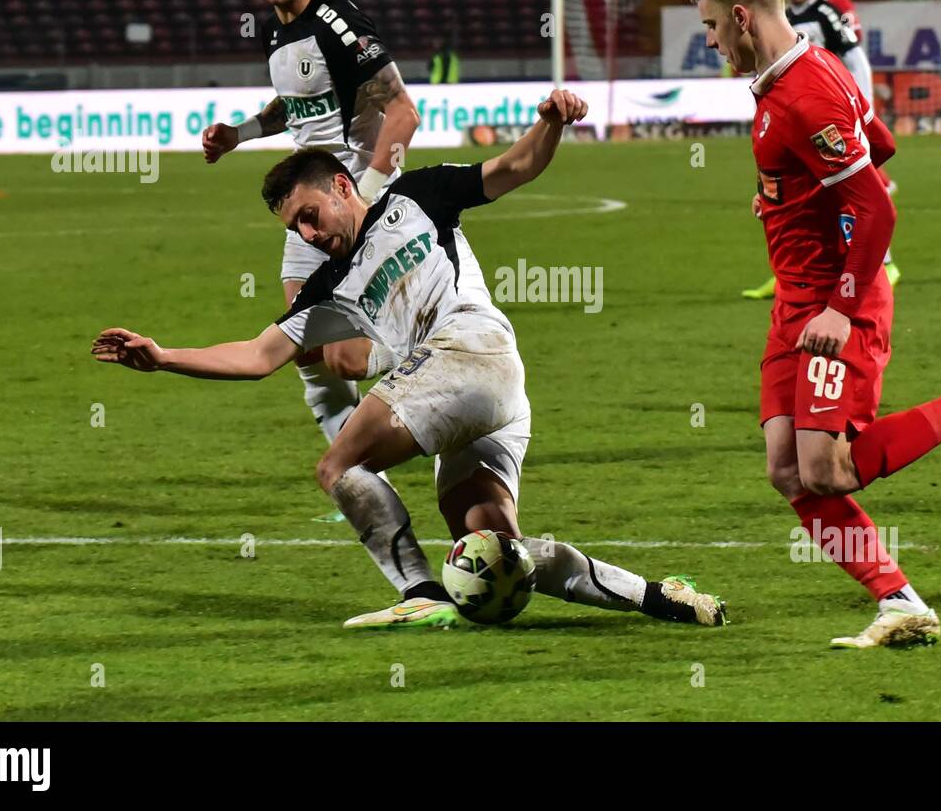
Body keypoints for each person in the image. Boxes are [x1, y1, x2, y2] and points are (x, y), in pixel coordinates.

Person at [93, 90, 728, 631]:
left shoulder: (419, 194)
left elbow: (514, 168)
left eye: (311, 216)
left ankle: (418, 595)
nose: (309, 236)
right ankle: (658, 597)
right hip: (488, 388)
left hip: (467, 351)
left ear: (342, 186)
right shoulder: (330, 284)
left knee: (338, 463)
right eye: (297, 231)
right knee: (492, 552)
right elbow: (261, 356)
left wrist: (553, 121)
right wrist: (163, 356)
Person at [685, 0, 941, 648]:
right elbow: (876, 143)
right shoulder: (796, 73)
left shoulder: (805, 91)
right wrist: (788, 199)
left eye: (710, 27)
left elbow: (878, 206)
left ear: (741, 15)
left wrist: (840, 302)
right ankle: (900, 600)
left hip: (833, 304)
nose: (709, 42)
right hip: (797, 301)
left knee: (830, 466)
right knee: (786, 468)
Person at [200, 0, 421, 450]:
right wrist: (240, 133)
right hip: (307, 207)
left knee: (345, 356)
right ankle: (353, 470)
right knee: (302, 348)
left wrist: (363, 201)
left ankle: (426, 349)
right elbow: (294, 108)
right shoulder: (278, 36)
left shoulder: (337, 21)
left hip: (354, 201)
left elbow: (403, 114)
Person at [742, 0, 900, 300]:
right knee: (794, 196)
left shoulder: (829, 13)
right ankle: (787, 275)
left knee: (863, 196)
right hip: (802, 118)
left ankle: (882, 265)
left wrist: (864, 110)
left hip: (830, 115)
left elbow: (854, 58)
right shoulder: (777, 18)